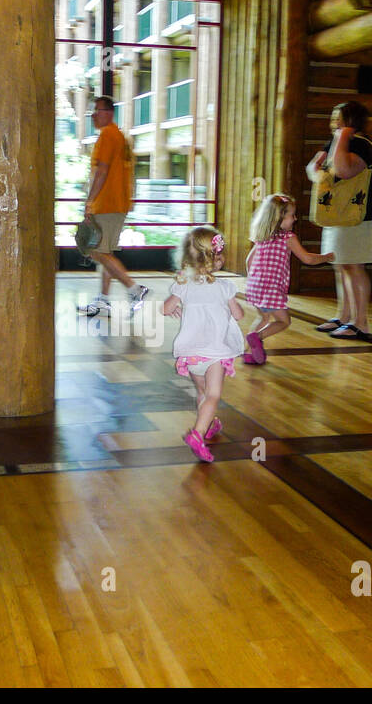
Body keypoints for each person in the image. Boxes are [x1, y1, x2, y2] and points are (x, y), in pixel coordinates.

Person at [162, 226, 244, 462]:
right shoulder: (225, 288)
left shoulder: (183, 285)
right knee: (213, 395)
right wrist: (234, 307)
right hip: (215, 353)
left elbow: (166, 309)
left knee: (201, 392)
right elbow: (237, 316)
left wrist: (177, 307)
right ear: (216, 259)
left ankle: (208, 423)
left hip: (190, 353)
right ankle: (197, 433)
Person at [305, 101, 372, 340]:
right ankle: (344, 316)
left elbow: (343, 170)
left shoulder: (363, 145)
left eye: (338, 117)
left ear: (351, 120)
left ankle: (361, 323)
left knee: (354, 266)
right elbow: (314, 170)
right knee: (341, 266)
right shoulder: (336, 142)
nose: (333, 121)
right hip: (336, 214)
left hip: (359, 216)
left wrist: (343, 137)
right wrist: (315, 168)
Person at [78, 96, 149, 318]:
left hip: (107, 204)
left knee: (98, 251)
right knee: (105, 251)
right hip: (117, 204)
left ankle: (134, 289)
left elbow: (102, 171)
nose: (93, 115)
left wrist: (89, 201)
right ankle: (104, 300)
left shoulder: (108, 134)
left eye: (96, 110)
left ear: (108, 113)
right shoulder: (119, 136)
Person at [243, 193, 334, 364]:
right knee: (284, 321)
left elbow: (249, 261)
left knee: (262, 318)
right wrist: (327, 257)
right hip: (271, 288)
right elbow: (307, 259)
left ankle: (250, 353)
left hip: (255, 286)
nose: (295, 218)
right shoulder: (288, 238)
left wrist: (254, 280)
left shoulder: (262, 237)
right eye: (292, 215)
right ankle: (257, 337)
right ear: (280, 217)